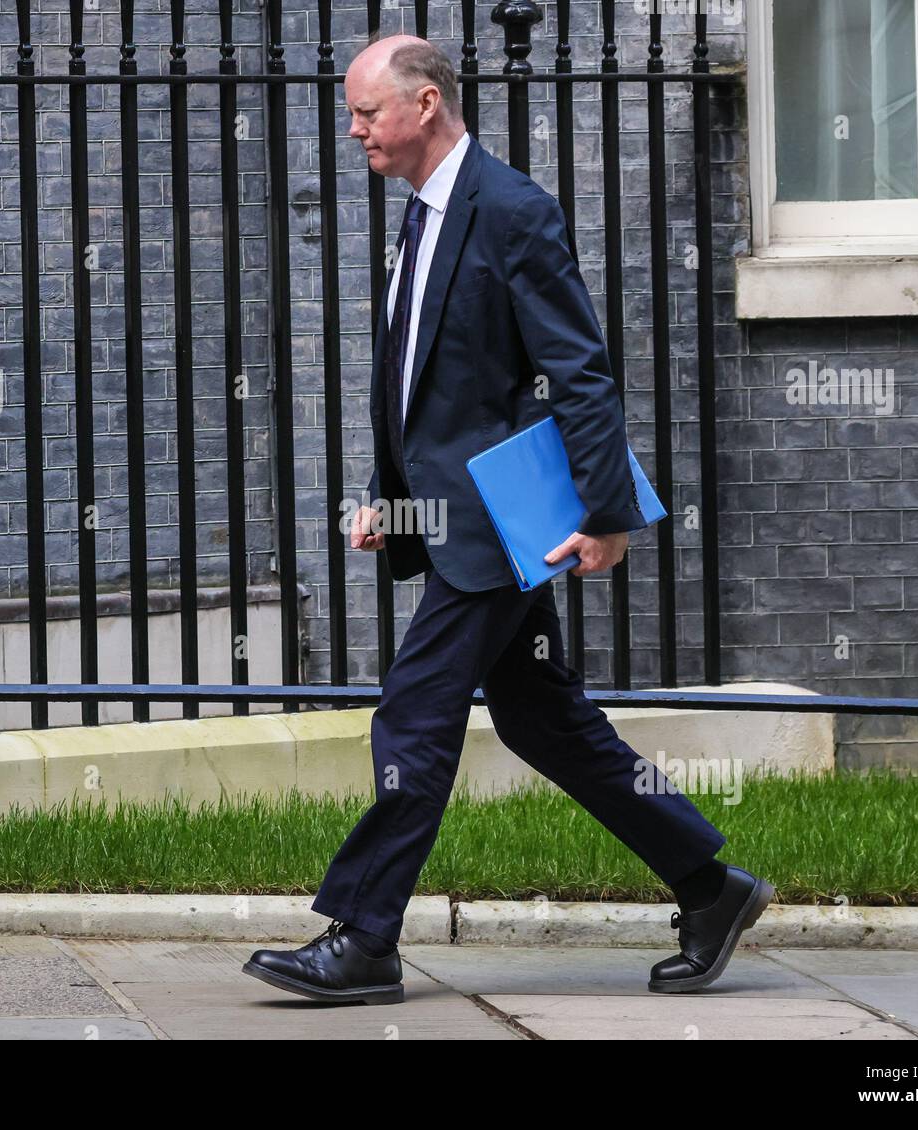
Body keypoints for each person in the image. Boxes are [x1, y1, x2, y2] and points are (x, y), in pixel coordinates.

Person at [242, 33, 772, 1005]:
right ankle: (710, 883)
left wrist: (608, 513)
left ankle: (364, 936)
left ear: (427, 105)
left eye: (367, 110)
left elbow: (577, 370)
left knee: (413, 712)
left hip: (493, 534)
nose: (353, 127)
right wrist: (391, 504)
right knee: (545, 723)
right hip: (457, 516)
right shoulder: (425, 215)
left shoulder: (511, 212)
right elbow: (436, 396)